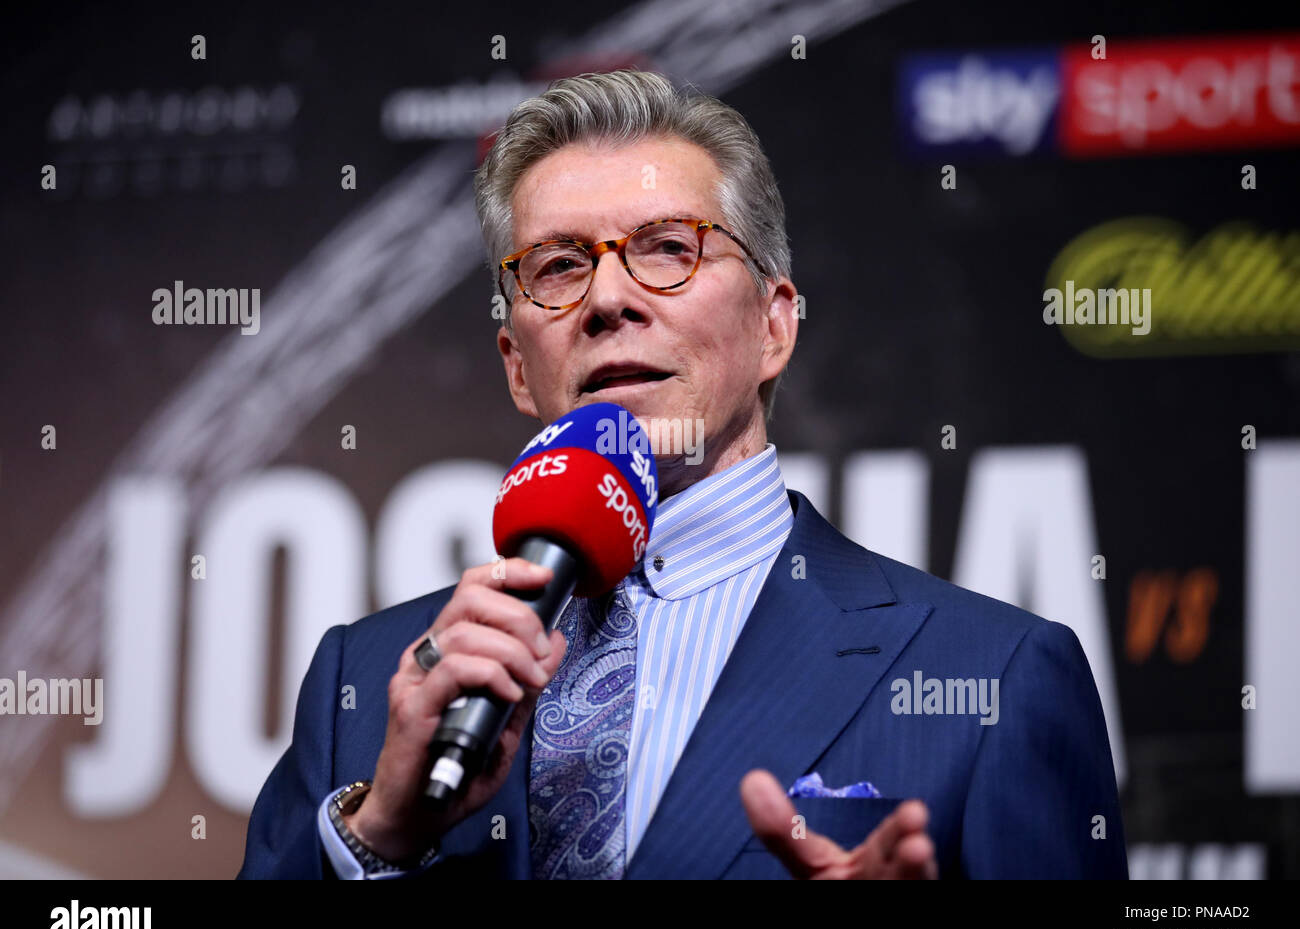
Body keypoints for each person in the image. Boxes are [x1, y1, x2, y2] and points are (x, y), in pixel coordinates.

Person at [238, 69, 1127, 880]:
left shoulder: (993, 679)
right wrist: (380, 837)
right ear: (516, 364)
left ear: (774, 326)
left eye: (669, 248)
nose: (610, 299)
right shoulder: (364, 684)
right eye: (559, 265)